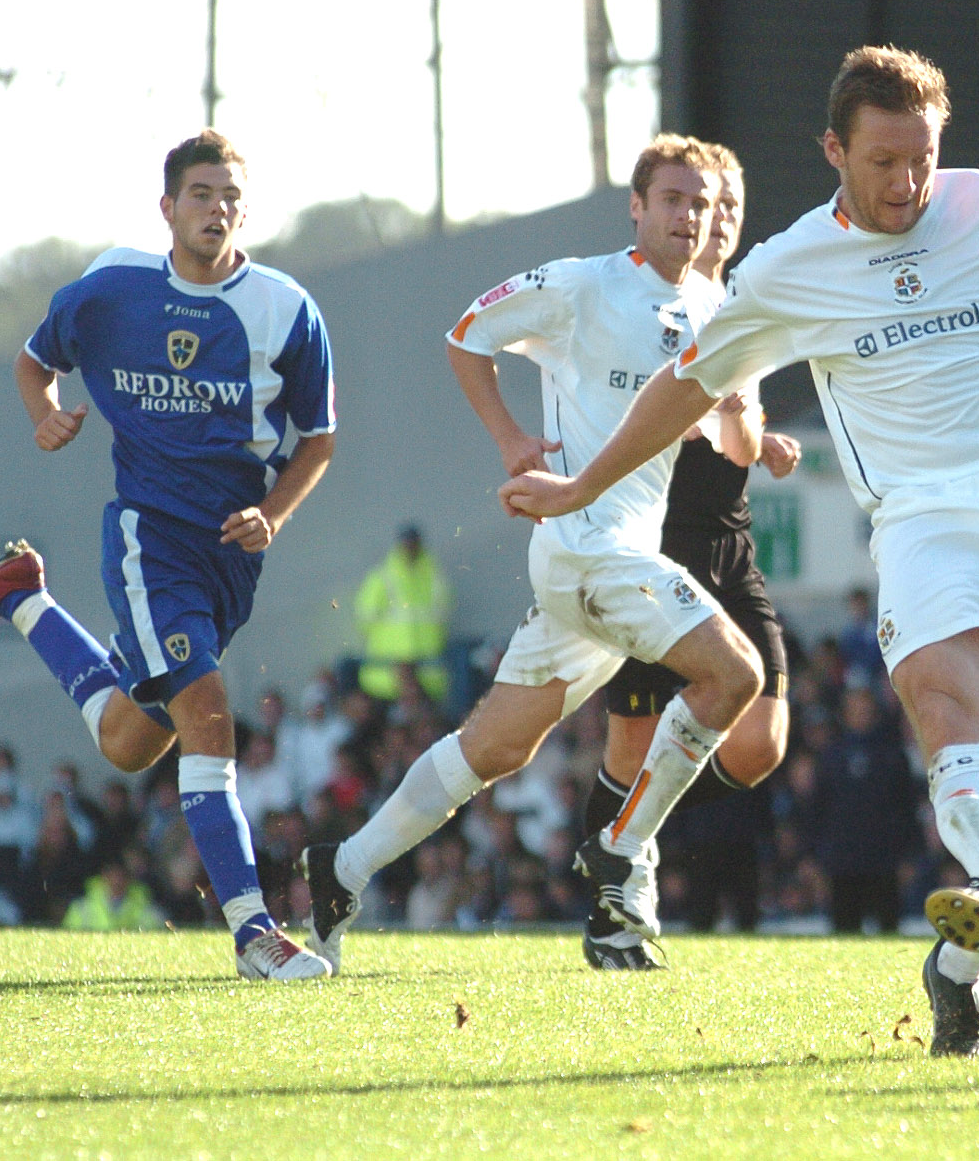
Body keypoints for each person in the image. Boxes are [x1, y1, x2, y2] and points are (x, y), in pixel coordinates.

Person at [503, 46, 979, 1057]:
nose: (907, 184)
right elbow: (684, 387)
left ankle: (961, 965)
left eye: (922, 160)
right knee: (953, 715)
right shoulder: (786, 267)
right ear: (833, 149)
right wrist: (585, 485)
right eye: (883, 163)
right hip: (925, 515)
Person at [298, 134, 763, 972]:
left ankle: (341, 867)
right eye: (672, 199)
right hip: (584, 550)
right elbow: (467, 336)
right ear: (638, 205)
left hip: (610, 560)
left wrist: (734, 409)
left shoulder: (708, 310)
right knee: (736, 676)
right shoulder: (584, 284)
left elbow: (733, 441)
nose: (688, 216)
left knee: (498, 748)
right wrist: (512, 437)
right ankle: (623, 852)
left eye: (701, 203)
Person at [0, 130, 337, 981]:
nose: (215, 208)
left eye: (229, 195)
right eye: (199, 193)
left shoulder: (287, 309)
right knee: (211, 716)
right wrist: (45, 413)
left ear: (244, 210)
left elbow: (320, 438)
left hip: (232, 560)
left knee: (127, 741)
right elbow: (35, 362)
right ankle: (254, 932)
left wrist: (274, 512)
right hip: (151, 542)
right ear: (167, 209)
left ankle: (20, 596)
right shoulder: (111, 288)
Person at [584, 145, 802, 968]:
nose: (712, 223)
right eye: (697, 206)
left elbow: (733, 432)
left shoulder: (736, 310)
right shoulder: (640, 303)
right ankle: (610, 894)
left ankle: (627, 830)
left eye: (726, 212)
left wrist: (761, 437)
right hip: (655, 545)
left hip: (728, 545)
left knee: (759, 746)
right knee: (628, 747)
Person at [354, 524, 454, 705]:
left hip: (426, 673)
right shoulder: (383, 577)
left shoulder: (434, 576)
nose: (410, 548)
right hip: (387, 675)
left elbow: (443, 615)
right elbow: (364, 618)